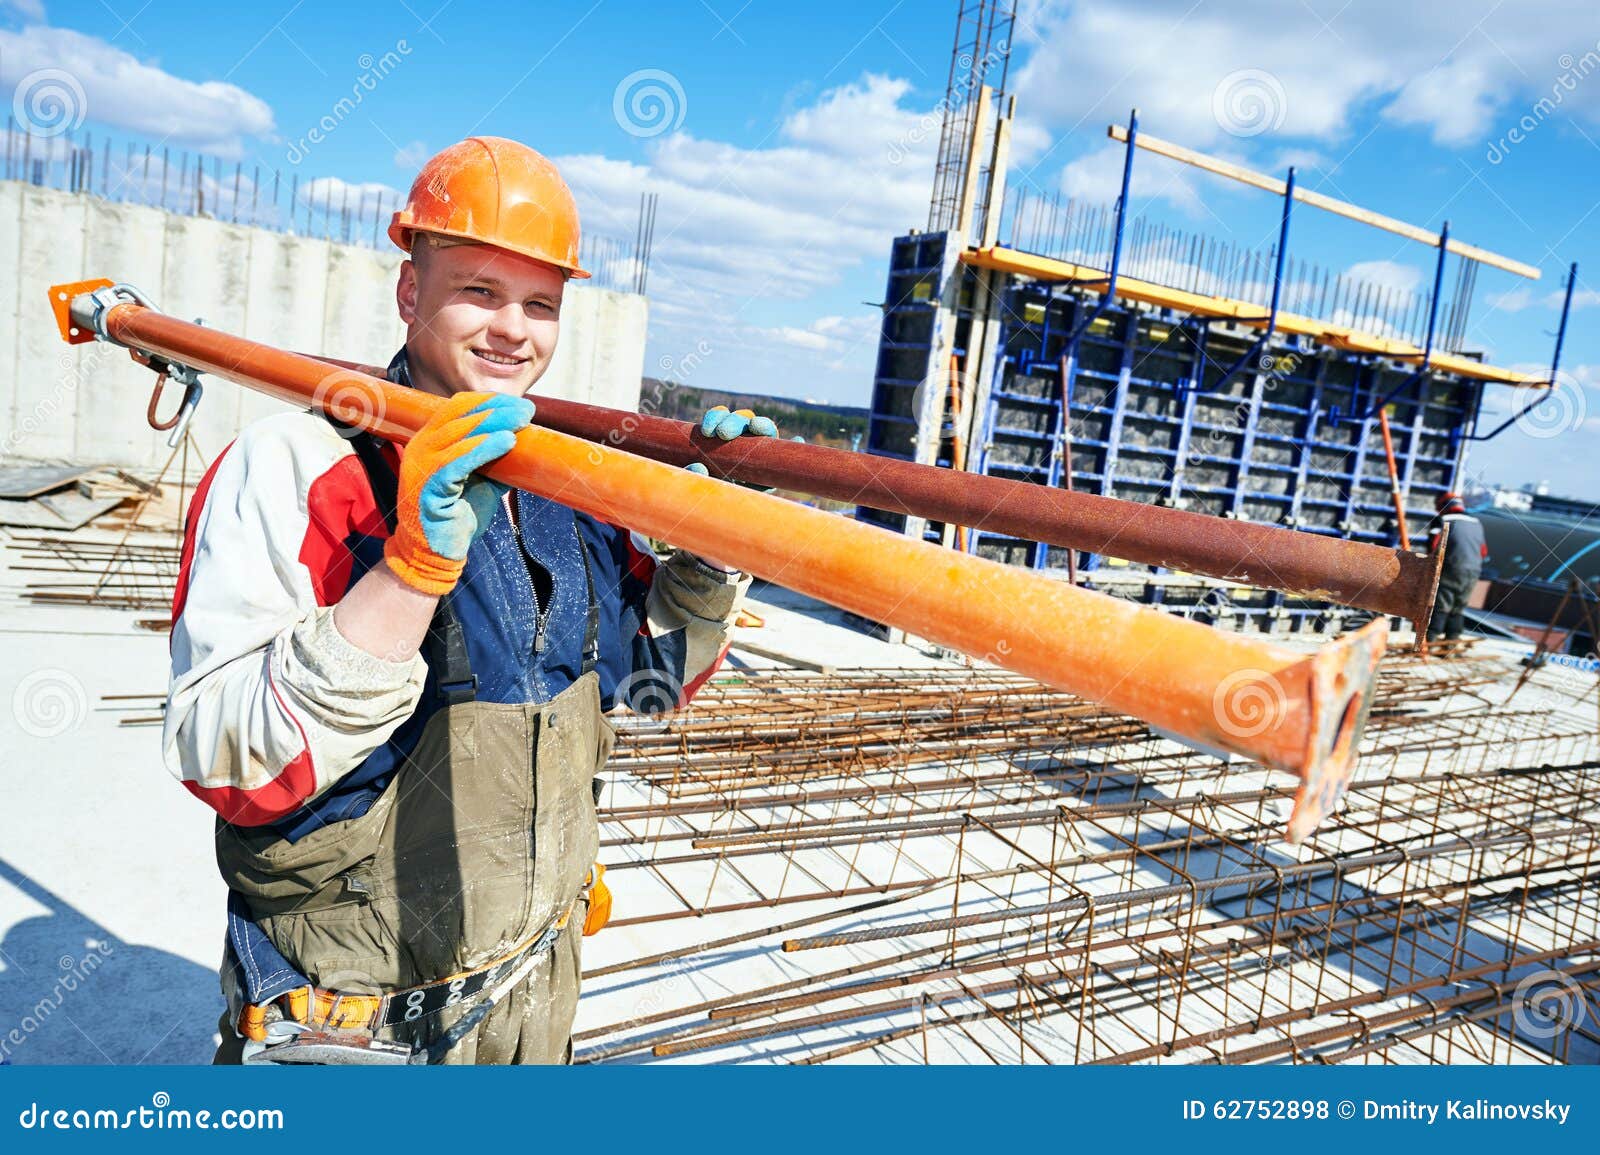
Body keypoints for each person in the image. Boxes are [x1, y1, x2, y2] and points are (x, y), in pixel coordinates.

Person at [163, 137, 777, 1064]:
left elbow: (648, 688)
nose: (513, 331)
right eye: (478, 292)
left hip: (529, 1011)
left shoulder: (567, 485)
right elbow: (231, 761)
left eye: (540, 304)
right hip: (356, 1036)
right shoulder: (299, 466)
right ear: (411, 292)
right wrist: (408, 570)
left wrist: (711, 552)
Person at [1426, 491, 1488, 642]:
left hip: (1452, 566)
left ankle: (1430, 638)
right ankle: (1452, 640)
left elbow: (1433, 546)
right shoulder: (1476, 522)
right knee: (1459, 606)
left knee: (1442, 603)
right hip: (1474, 569)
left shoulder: (1443, 520)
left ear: (1442, 506)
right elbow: (1483, 551)